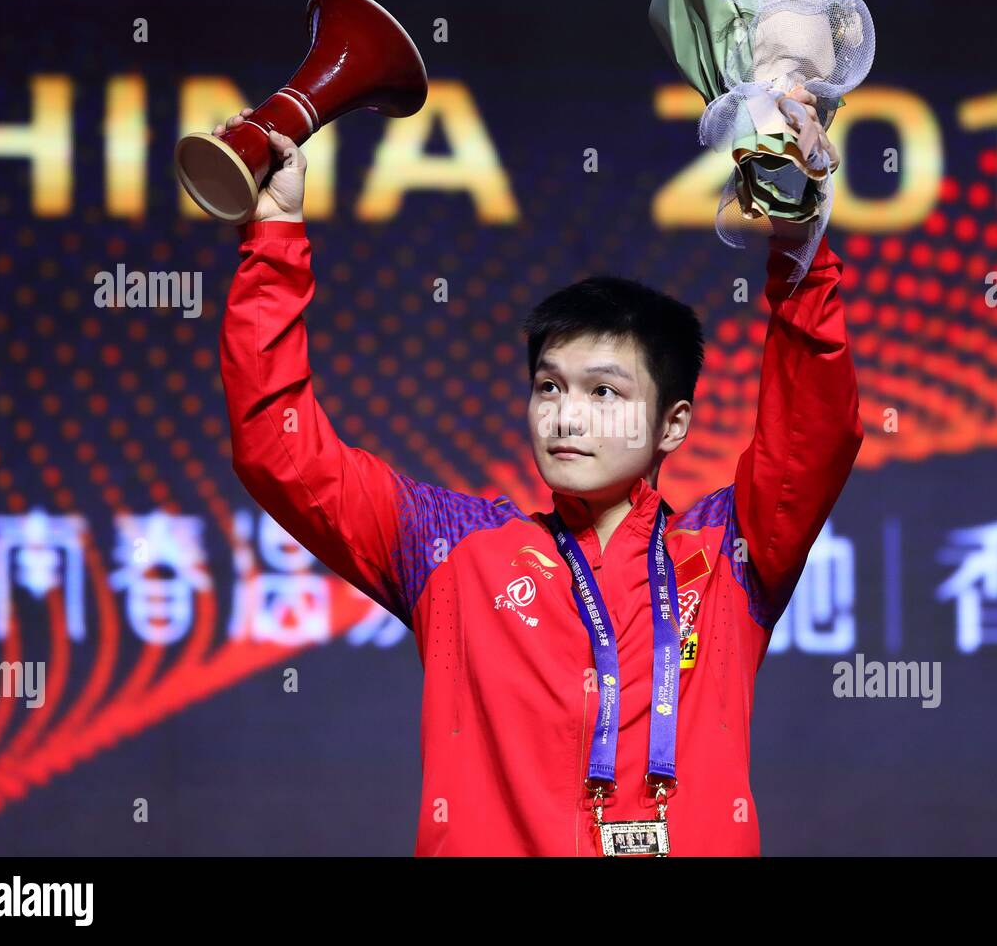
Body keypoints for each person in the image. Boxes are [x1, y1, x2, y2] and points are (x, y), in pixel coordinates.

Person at [216, 84, 861, 856]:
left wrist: (800, 250)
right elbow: (280, 453)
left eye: (604, 391)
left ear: (673, 425)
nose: (567, 414)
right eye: (549, 386)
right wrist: (275, 234)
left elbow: (815, 433)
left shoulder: (725, 556)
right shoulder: (454, 553)